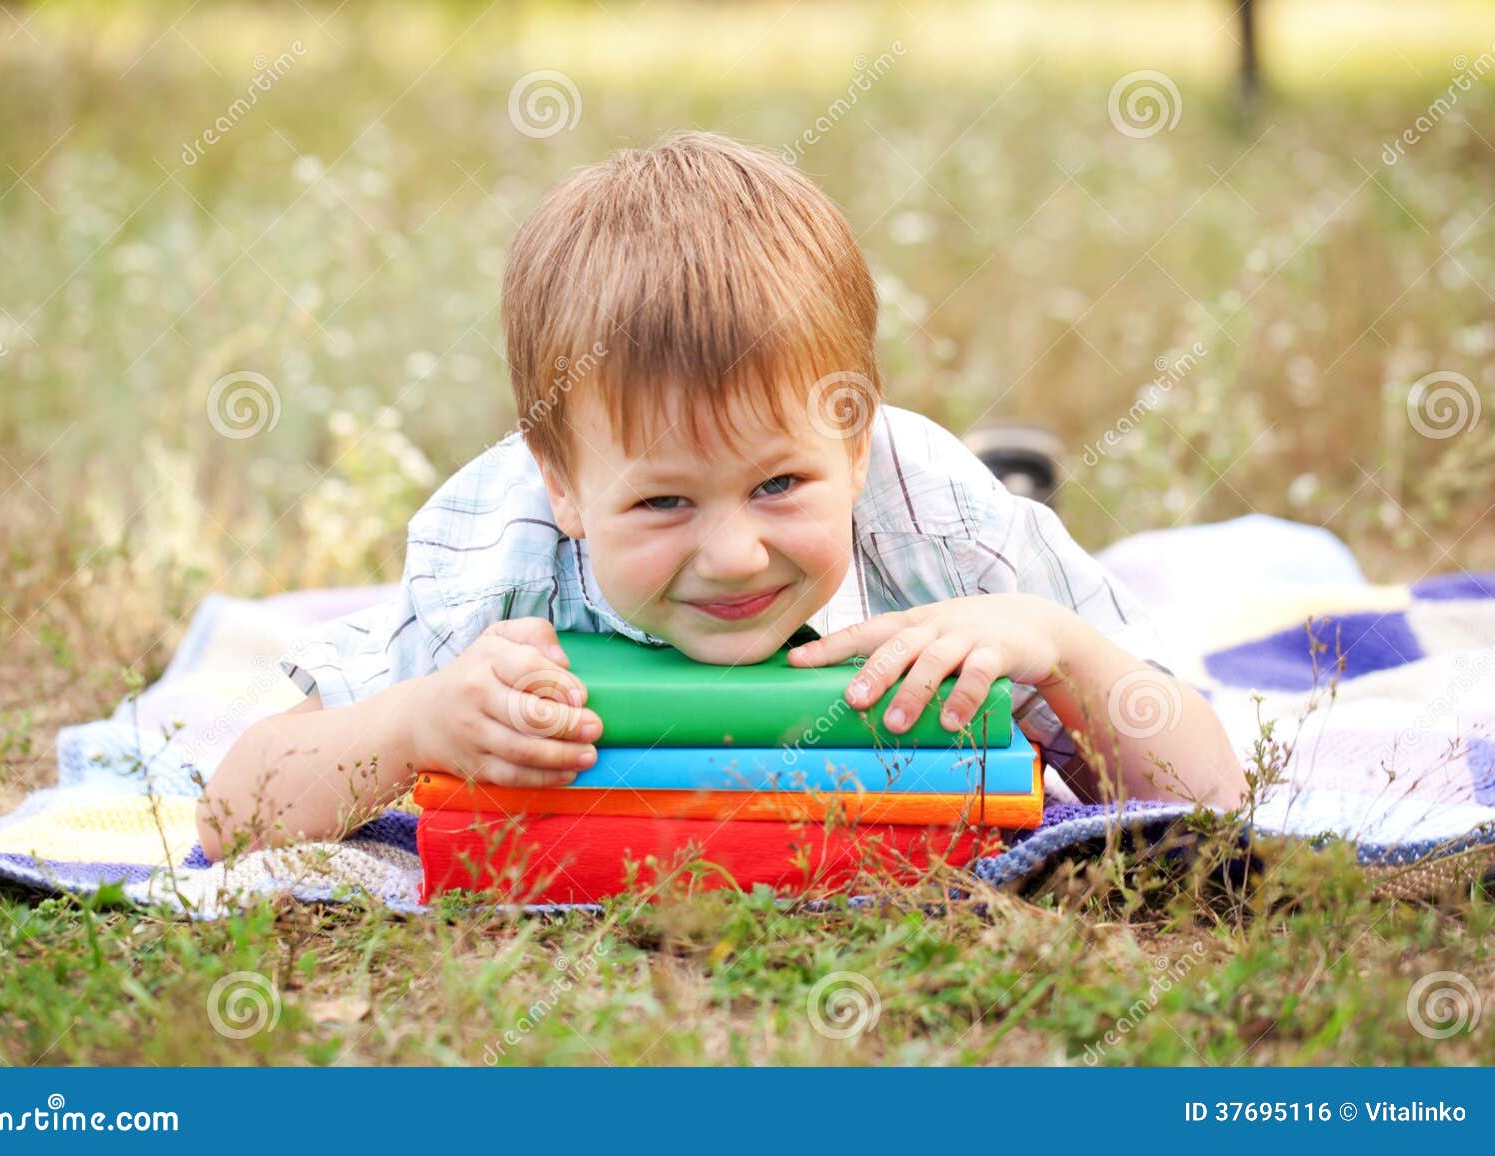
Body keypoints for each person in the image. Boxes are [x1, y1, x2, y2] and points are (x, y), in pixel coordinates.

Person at [195, 131, 1245, 861]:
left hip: (918, 507)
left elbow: (1210, 801)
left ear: (854, 431)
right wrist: (415, 720)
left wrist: (1057, 644)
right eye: (663, 503)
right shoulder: (502, 562)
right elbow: (231, 813)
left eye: (779, 482)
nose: (736, 553)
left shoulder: (945, 527)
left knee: (997, 518)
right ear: (563, 485)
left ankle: (1011, 465)